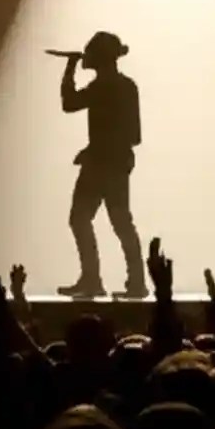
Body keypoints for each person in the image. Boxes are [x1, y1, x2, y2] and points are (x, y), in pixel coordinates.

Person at [51, 32, 148, 299]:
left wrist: (70, 67)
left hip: (104, 164)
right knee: (117, 222)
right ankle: (128, 282)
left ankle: (98, 280)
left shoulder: (103, 87)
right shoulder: (126, 86)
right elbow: (134, 136)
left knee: (88, 219)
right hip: (112, 162)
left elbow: (69, 103)